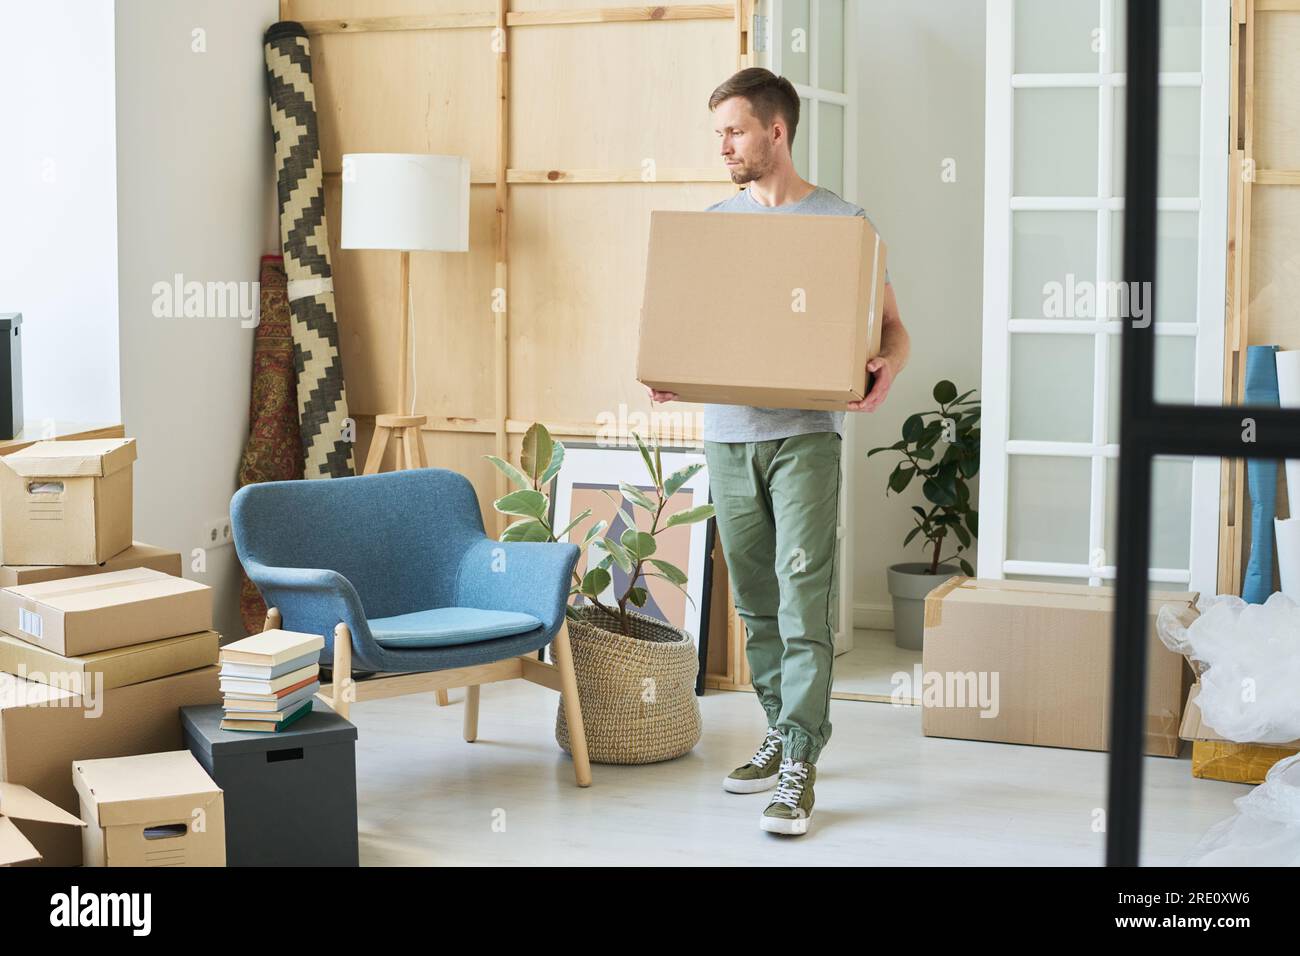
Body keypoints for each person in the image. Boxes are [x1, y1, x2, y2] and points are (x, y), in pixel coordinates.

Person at [648, 67, 911, 836]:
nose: (723, 146)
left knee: (803, 603)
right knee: (755, 601)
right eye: (719, 134)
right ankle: (775, 729)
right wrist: (673, 371)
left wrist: (885, 368)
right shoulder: (715, 223)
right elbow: (693, 329)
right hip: (728, 437)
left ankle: (799, 760)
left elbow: (894, 329)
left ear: (776, 131)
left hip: (805, 438)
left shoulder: (842, 223)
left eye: (733, 131)